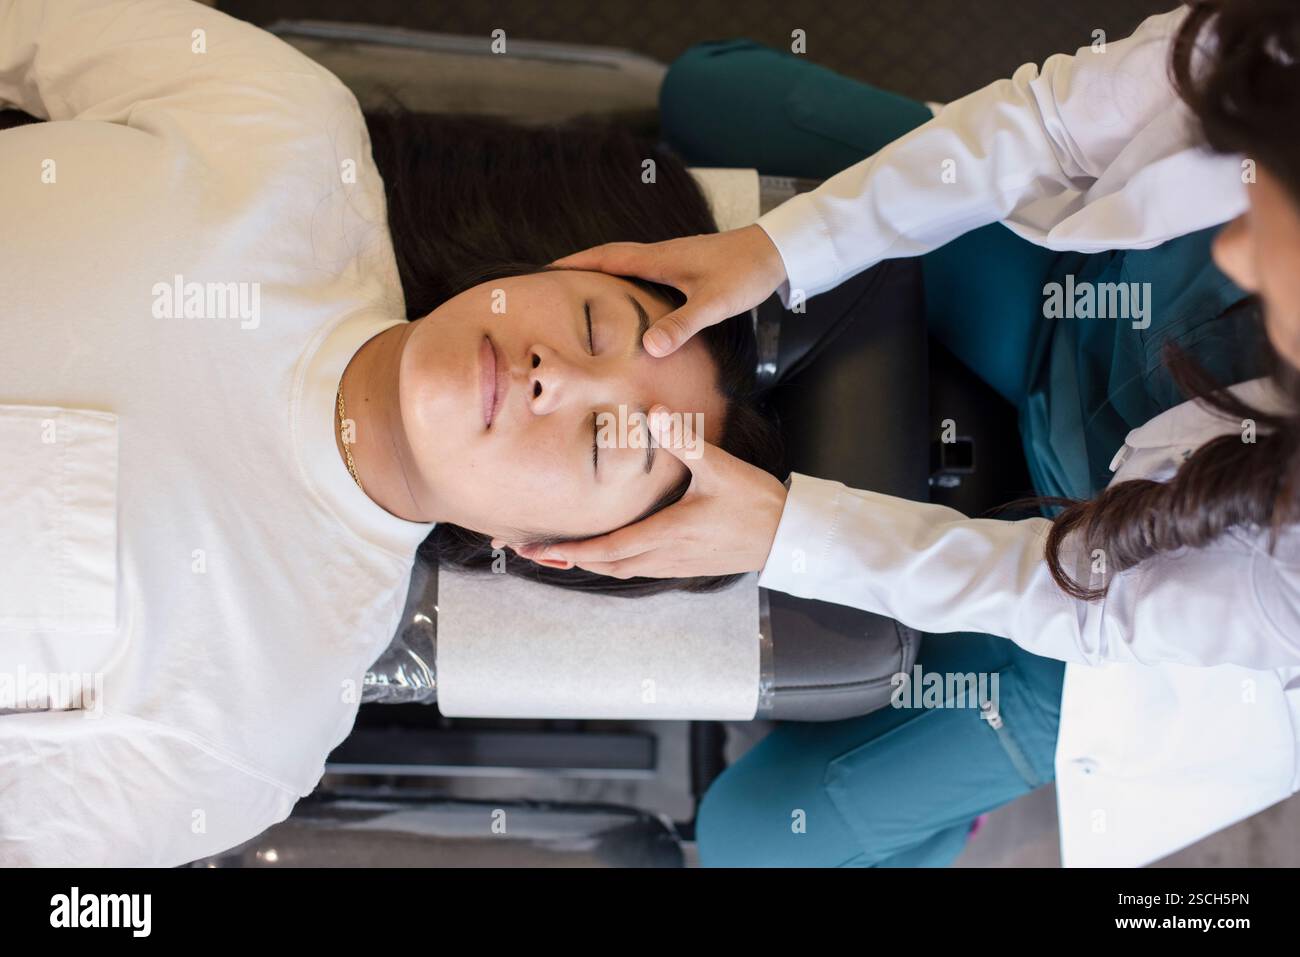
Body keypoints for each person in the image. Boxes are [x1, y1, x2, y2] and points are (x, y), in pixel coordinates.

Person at [0, 0, 778, 865]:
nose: (553, 374)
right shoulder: (284, 124)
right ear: (558, 270)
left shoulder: (249, 730)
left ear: (550, 548)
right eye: (595, 326)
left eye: (605, 439)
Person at [533, 1, 1300, 865]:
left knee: (751, 837)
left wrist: (790, 531)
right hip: (1080, 303)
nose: (1233, 252)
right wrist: (781, 249)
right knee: (709, 92)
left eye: (1267, 225)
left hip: (1084, 616)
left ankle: (949, 826)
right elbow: (1049, 120)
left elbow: (1076, 602)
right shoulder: (1273, 48)